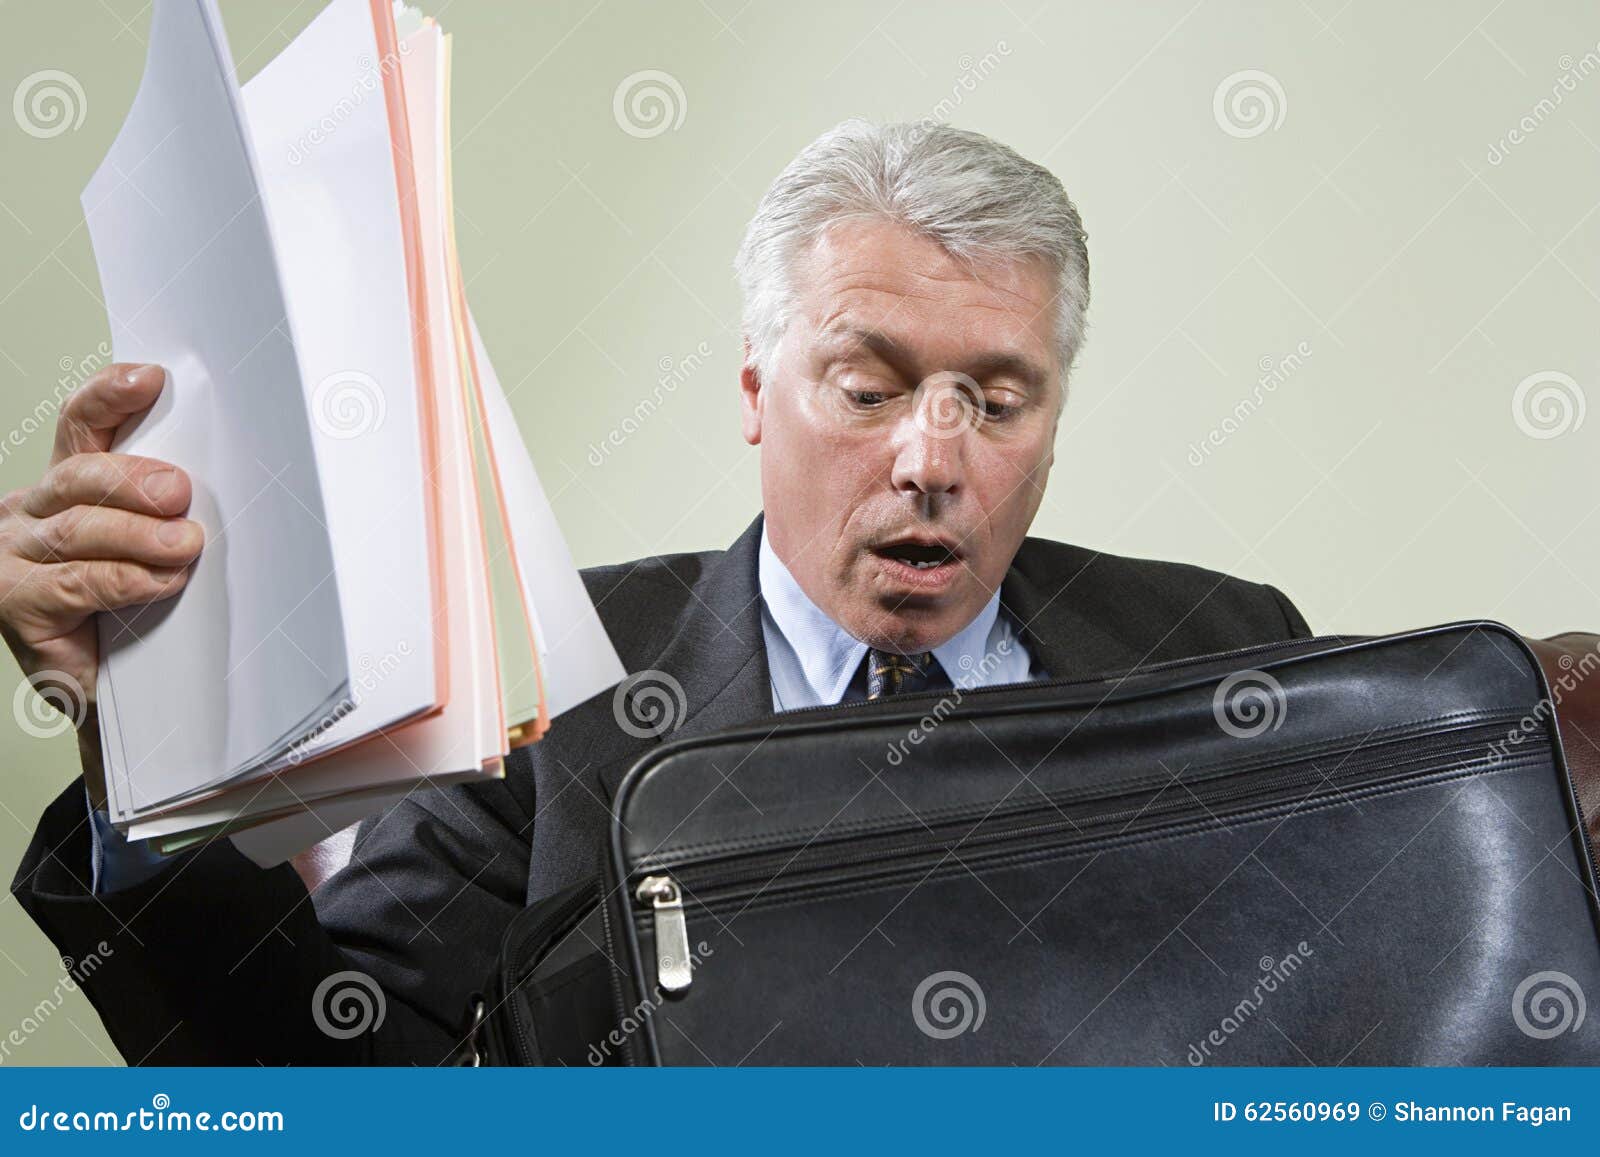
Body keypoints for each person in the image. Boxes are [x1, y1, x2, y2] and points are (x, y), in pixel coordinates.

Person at [4, 120, 1309, 1063]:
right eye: (869, 389)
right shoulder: (554, 682)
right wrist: (150, 724)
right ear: (758, 393)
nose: (930, 459)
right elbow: (338, 1081)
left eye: (999, 400)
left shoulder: (1225, 649)